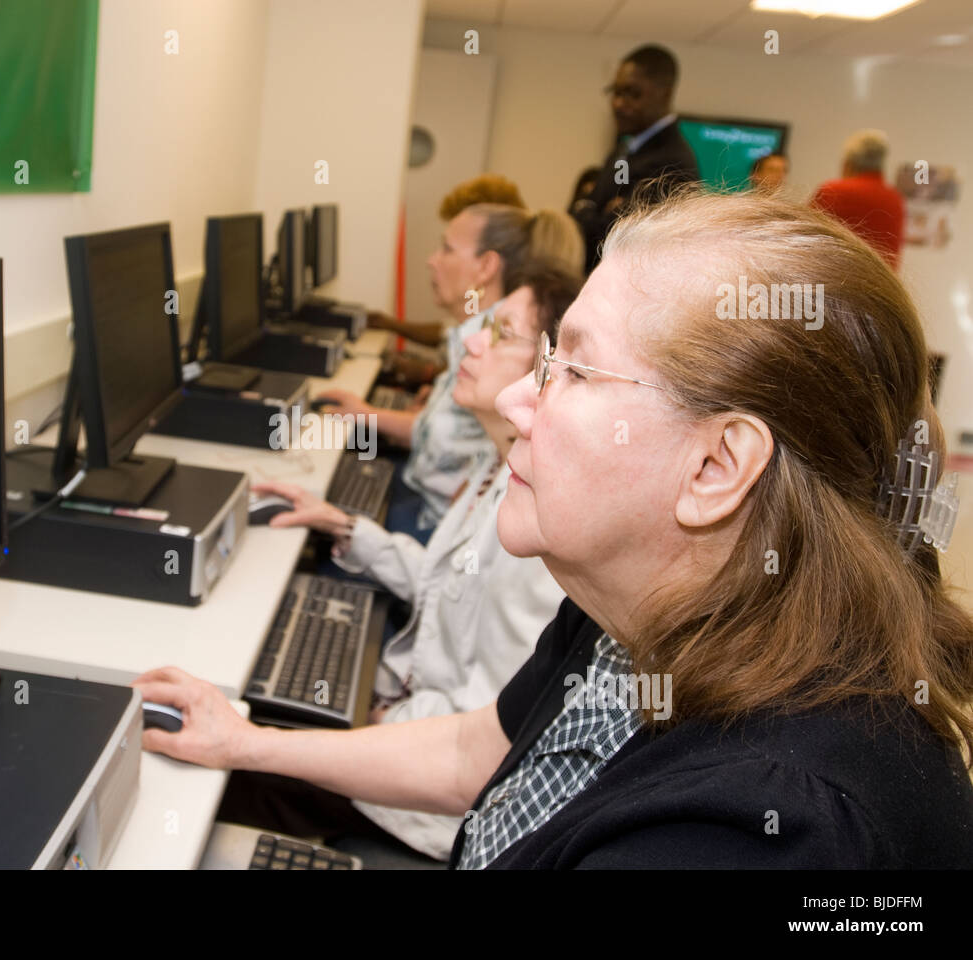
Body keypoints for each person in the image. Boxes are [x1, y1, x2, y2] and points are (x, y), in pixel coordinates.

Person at [134, 190, 973, 868]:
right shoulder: (637, 604)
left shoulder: (764, 827)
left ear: (716, 469)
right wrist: (248, 741)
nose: (513, 400)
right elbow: (473, 756)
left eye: (572, 367)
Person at [240, 261, 580, 858]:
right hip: (414, 722)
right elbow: (449, 581)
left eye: (500, 333)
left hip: (427, 793)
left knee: (235, 773)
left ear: (548, 370)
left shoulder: (541, 535)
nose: (471, 340)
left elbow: (477, 736)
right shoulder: (501, 464)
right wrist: (344, 526)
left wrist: (364, 722)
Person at [318, 204, 583, 542]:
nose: (432, 260)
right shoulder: (484, 348)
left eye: (446, 248)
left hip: (430, 520)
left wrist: (370, 416)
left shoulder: (493, 369)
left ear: (486, 266)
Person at [570, 44, 699, 274]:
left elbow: (613, 239)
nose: (619, 103)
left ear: (665, 93)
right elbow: (589, 221)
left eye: (633, 93)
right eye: (616, 92)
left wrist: (586, 209)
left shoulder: (673, 163)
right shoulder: (623, 148)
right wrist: (593, 212)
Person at [368, 173, 527, 350]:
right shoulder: (479, 313)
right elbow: (450, 331)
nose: (432, 261)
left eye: (449, 248)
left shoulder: (506, 329)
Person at [811, 129, 905, 269]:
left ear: (848, 163)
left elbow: (806, 237)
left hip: (836, 280)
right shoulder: (895, 198)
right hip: (881, 286)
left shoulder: (834, 190)